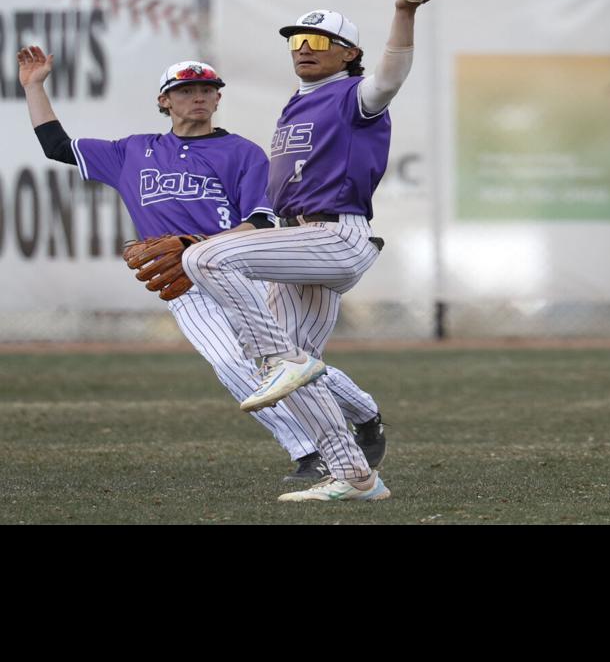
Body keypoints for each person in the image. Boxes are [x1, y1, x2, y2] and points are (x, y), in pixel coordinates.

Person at [17, 46, 387, 482]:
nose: (198, 97)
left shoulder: (242, 152)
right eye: (186, 90)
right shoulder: (132, 152)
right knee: (231, 364)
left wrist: (199, 245)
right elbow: (57, 147)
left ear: (218, 99)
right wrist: (34, 86)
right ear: (164, 101)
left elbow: (259, 222)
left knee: (285, 359)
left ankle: (363, 412)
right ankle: (308, 452)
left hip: (237, 272)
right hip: (182, 284)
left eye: (207, 90)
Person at [183, 0, 432, 502]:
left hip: (335, 236)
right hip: (300, 240)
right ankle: (355, 476)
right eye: (297, 41)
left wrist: (404, 11)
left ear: (349, 54)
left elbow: (391, 74)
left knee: (203, 260)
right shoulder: (297, 102)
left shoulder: (354, 95)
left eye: (318, 41)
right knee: (300, 373)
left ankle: (277, 356)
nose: (304, 48)